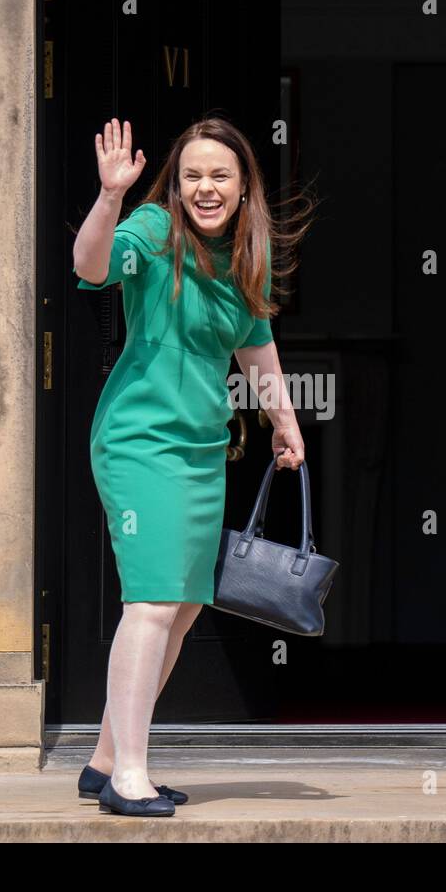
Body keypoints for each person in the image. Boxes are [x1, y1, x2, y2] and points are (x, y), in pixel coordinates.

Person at [71, 116, 315, 816]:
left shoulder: (248, 256)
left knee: (177, 612)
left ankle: (108, 761)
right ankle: (130, 780)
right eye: (192, 176)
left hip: (204, 449)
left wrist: (285, 424)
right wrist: (110, 197)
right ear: (175, 187)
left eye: (220, 176)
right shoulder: (152, 231)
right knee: (149, 603)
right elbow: (90, 266)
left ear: (243, 189)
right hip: (139, 442)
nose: (205, 187)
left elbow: (256, 347)